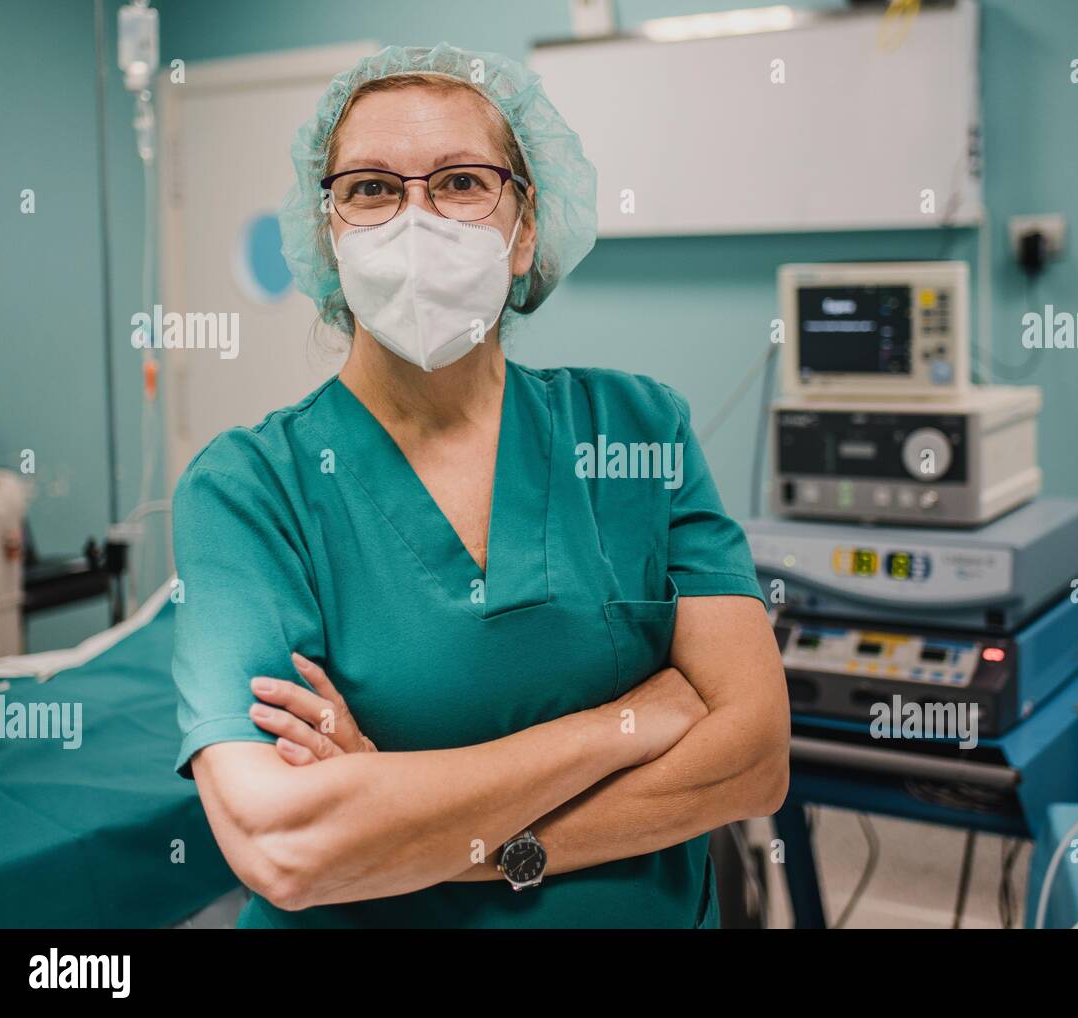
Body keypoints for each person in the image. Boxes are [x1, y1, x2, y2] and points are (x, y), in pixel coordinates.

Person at [170, 42, 789, 929]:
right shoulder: (248, 489)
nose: (416, 220)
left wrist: (397, 814)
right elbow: (287, 847)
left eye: (462, 182)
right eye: (372, 188)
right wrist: (615, 727)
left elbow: (754, 756)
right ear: (329, 231)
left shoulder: (635, 431)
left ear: (525, 223)